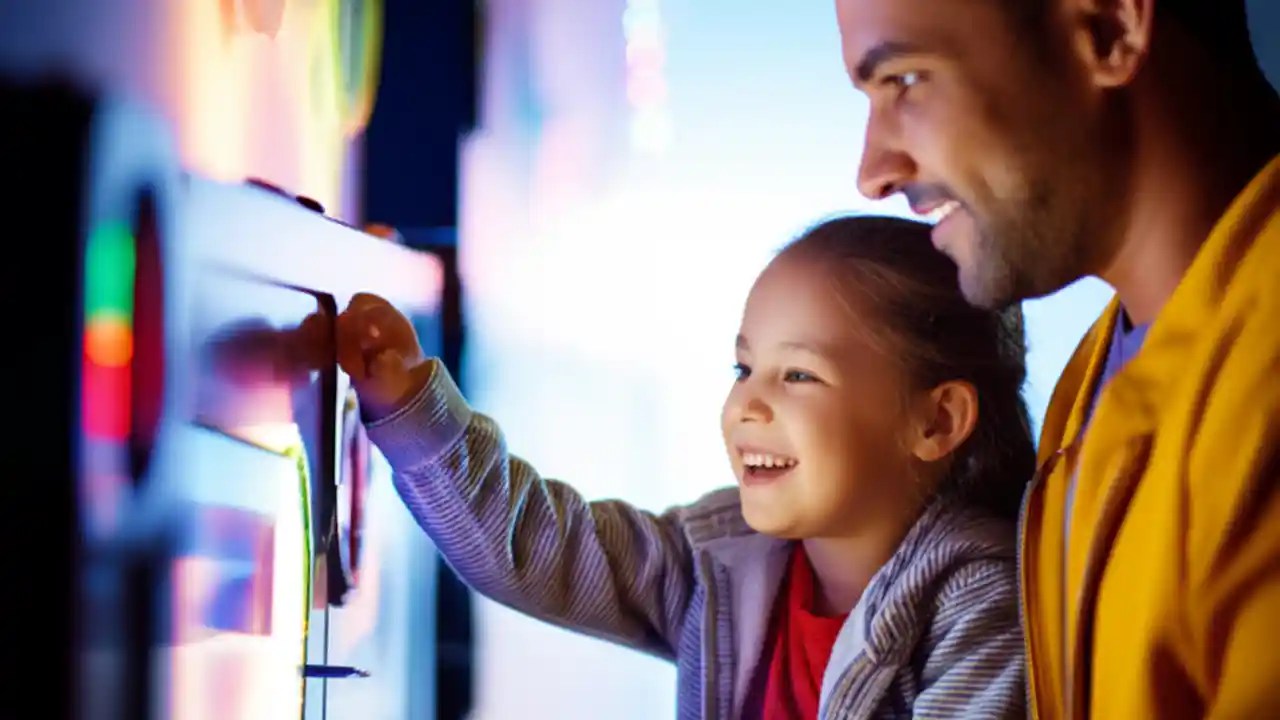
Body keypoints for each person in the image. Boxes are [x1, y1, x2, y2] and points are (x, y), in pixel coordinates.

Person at [335, 216, 1035, 718]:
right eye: (745, 366)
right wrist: (413, 412)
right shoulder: (720, 559)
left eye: (798, 375)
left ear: (935, 421)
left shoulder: (978, 599)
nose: (745, 405)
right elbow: (535, 549)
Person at [832, 0, 1280, 716]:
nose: (875, 171)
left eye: (908, 80)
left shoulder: (1260, 385)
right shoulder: (1092, 384)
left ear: (1108, 30)